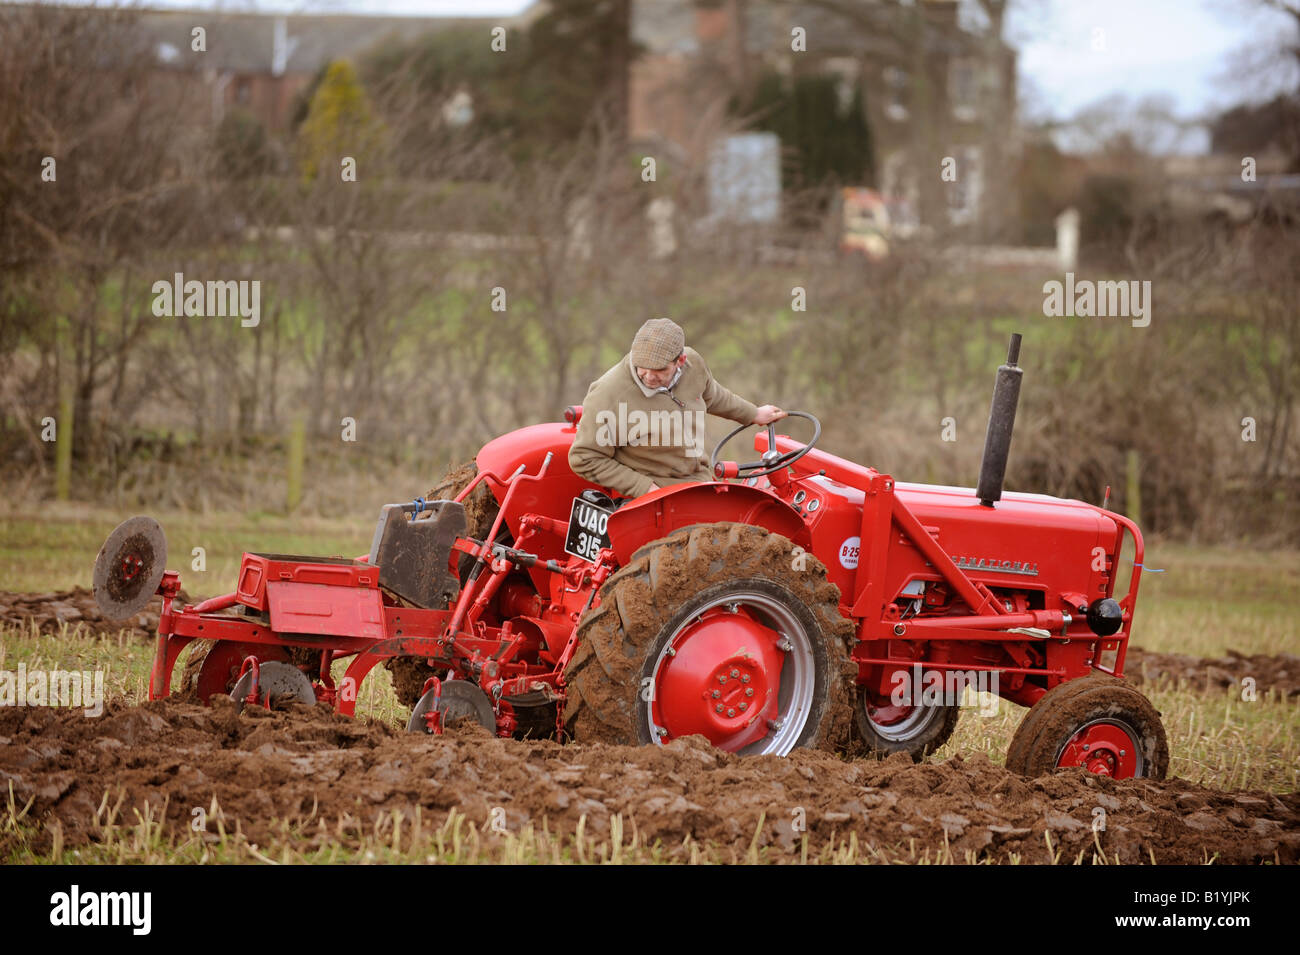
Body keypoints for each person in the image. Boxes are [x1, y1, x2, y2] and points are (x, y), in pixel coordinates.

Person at [568, 318, 786, 499]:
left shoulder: (694, 365)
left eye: (660, 370)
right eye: (642, 368)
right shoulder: (609, 393)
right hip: (655, 489)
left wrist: (754, 413)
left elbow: (712, 395)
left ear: (680, 360)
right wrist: (645, 488)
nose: (649, 377)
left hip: (698, 479)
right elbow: (585, 457)